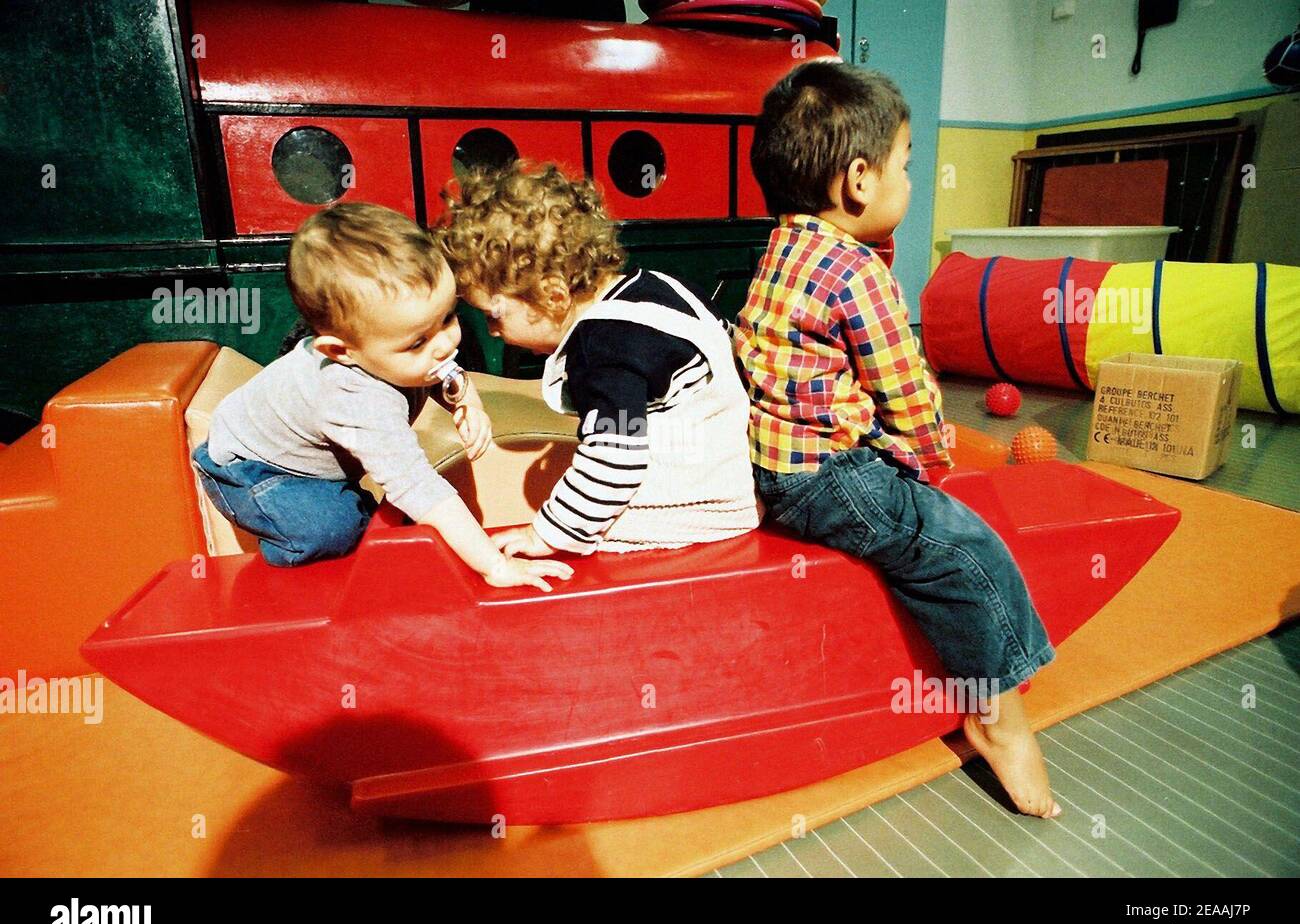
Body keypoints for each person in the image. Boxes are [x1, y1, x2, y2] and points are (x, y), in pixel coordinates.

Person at [735, 62, 1060, 818]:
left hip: (774, 465)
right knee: (961, 545)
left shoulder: (779, 248)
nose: (911, 184)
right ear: (857, 181)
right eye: (906, 167)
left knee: (915, 509)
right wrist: (931, 455)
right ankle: (999, 718)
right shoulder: (857, 270)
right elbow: (906, 389)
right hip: (825, 476)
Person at [194, 202, 572, 592]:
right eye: (418, 341)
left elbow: (445, 373)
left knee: (365, 509)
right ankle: (285, 569)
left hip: (301, 453)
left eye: (447, 318)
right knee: (330, 530)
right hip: (254, 471)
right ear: (341, 351)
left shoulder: (402, 352)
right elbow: (420, 487)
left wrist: (467, 403)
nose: (443, 345)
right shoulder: (354, 394)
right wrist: (494, 566)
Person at [440, 162, 761, 557]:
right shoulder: (659, 286)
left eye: (494, 315)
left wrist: (545, 535)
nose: (491, 331)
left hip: (692, 510)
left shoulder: (603, 346)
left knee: (584, 528)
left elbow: (615, 457)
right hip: (734, 482)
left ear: (554, 296)